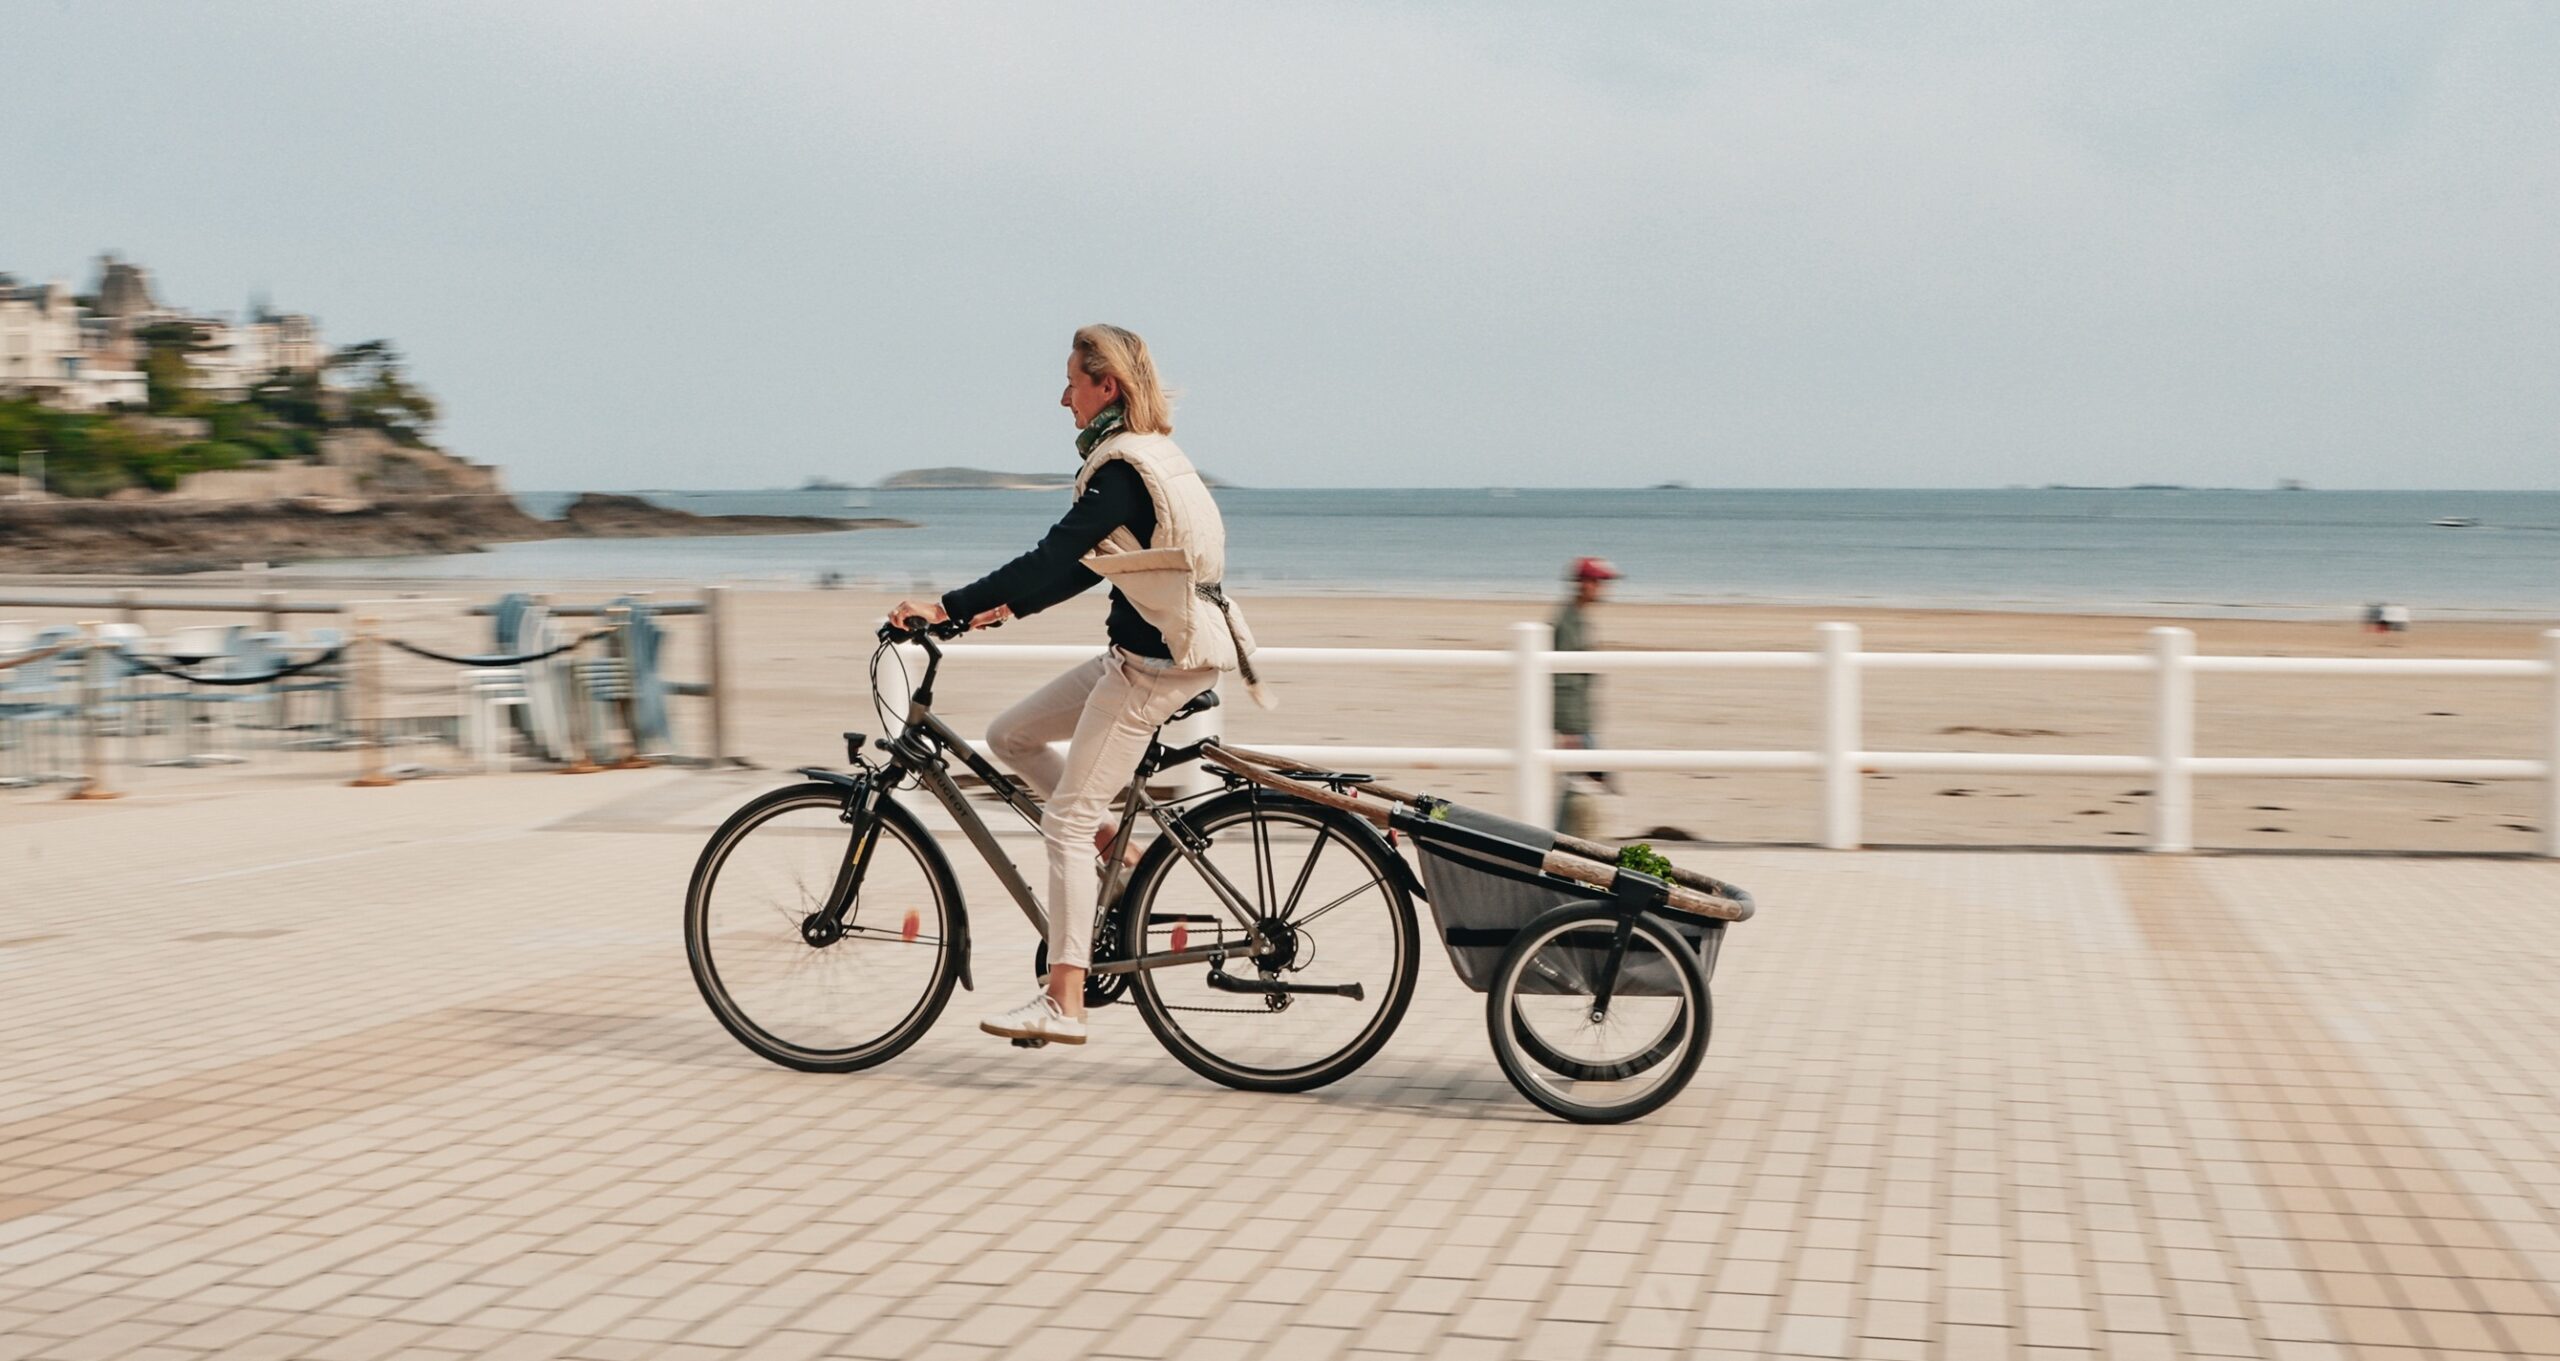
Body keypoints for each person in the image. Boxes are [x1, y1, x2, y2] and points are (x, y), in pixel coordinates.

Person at [887, 324, 1262, 1049]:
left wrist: (944, 607)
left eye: (1072, 382)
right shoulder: (1146, 458)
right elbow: (1077, 568)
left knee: (1059, 820)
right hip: (1147, 651)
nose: (1063, 398)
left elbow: (1050, 555)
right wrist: (989, 612)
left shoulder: (1120, 470)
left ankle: (1064, 1000)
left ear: (1106, 387)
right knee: (1011, 736)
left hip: (1156, 665)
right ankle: (1114, 853)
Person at [1552, 557, 1618, 832]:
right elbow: (1563, 678)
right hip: (1575, 721)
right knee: (1588, 780)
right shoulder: (1568, 622)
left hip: (1581, 718)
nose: (1601, 589)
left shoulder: (1577, 618)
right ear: (1584, 584)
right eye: (1597, 582)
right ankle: (1565, 838)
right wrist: (1570, 729)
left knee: (1586, 780)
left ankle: (1567, 835)